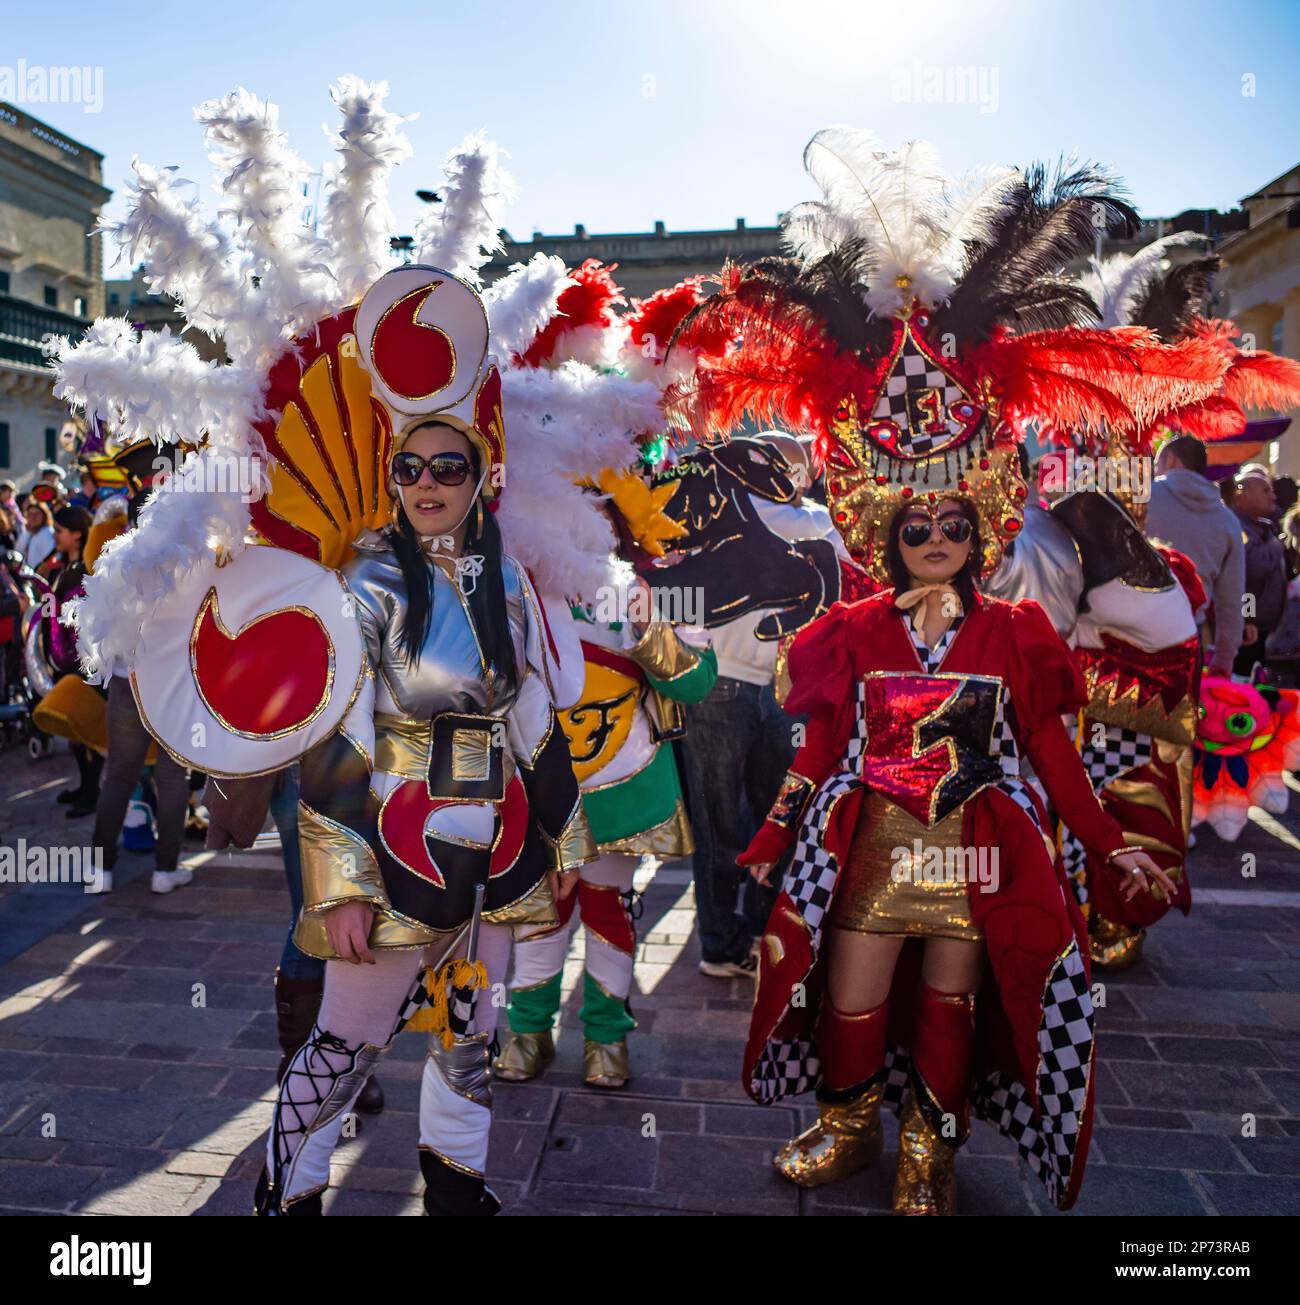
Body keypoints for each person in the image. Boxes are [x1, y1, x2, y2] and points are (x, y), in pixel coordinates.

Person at [669, 126, 1219, 1213]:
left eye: (950, 523)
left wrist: (1112, 852)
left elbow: (1054, 755)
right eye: (914, 522)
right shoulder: (850, 633)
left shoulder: (1016, 632)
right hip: (869, 845)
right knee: (852, 990)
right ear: (884, 529)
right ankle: (848, 1122)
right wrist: (771, 837)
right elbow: (819, 747)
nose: (933, 535)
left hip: (981, 852)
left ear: (980, 528)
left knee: (953, 1008)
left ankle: (933, 1145)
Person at [496, 572, 716, 1087]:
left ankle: (607, 1037)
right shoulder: (516, 578)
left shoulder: (662, 586)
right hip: (538, 779)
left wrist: (647, 627)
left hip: (622, 786)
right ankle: (528, 1033)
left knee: (606, 907)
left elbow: (695, 682)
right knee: (541, 909)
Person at [679, 431, 849, 978]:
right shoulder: (814, 520)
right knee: (774, 816)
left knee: (721, 821)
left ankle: (725, 942)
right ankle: (752, 934)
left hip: (730, 686)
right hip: (764, 688)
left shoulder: (711, 510)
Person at [1147, 434, 1246, 676]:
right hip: (1190, 637)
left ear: (1170, 460)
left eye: (1157, 464)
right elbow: (1232, 600)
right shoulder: (1227, 520)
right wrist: (1224, 660)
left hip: (1134, 634)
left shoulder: (1143, 498)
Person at [1231, 464, 1287, 677]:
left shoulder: (1260, 526)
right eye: (1265, 491)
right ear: (1242, 494)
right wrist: (1248, 619)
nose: (1273, 497)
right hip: (1248, 631)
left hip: (1260, 628)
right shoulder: (1236, 526)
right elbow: (1251, 570)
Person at [14, 498, 55, 571]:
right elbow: (18, 551)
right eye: (30, 514)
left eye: (36, 514)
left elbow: (49, 562)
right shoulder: (29, 532)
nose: (32, 517)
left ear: (44, 516)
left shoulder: (47, 533)